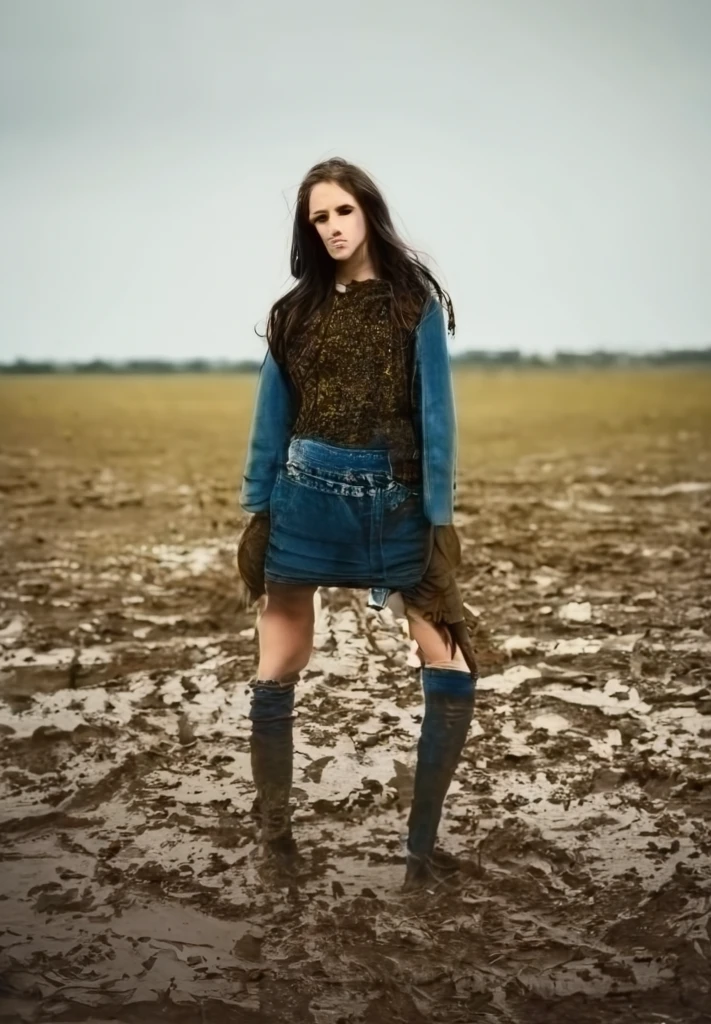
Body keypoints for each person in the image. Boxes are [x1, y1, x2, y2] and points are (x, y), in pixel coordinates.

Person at [236, 156, 479, 892]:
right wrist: (258, 510)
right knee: (278, 664)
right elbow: (271, 420)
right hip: (304, 501)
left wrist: (438, 521)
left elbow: (436, 417)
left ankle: (420, 855)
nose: (334, 227)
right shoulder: (294, 313)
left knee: (451, 665)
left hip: (394, 505)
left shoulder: (414, 303)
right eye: (319, 218)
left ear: (368, 211)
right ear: (308, 229)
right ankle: (276, 843)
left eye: (343, 211)